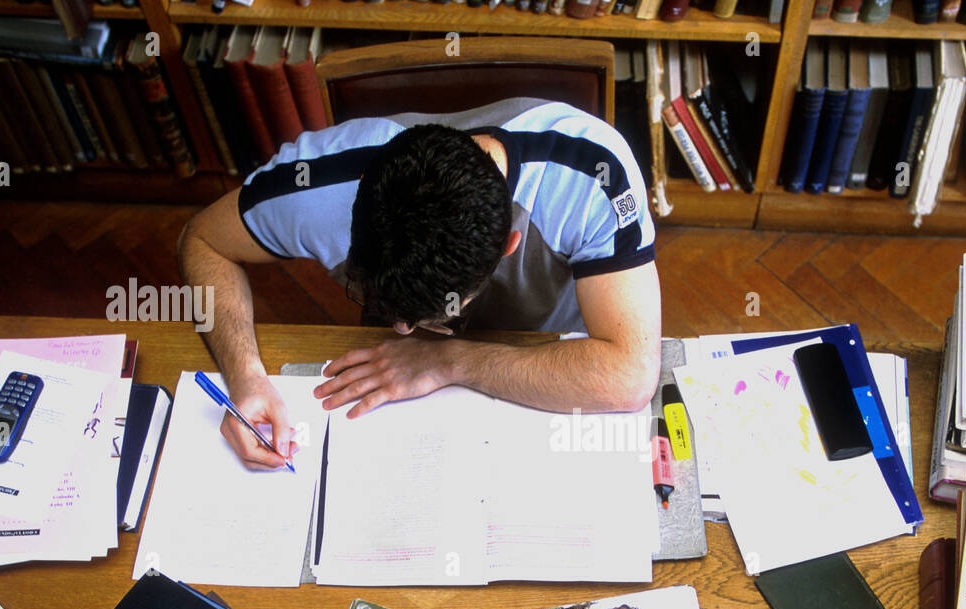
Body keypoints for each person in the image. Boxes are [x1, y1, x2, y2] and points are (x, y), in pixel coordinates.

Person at [177, 98, 662, 470]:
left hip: (556, 369)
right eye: (389, 309)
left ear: (508, 245)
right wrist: (245, 375)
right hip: (396, 395)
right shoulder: (319, 187)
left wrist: (448, 360)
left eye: (429, 317)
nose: (405, 331)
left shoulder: (590, 176)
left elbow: (631, 374)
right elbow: (201, 240)